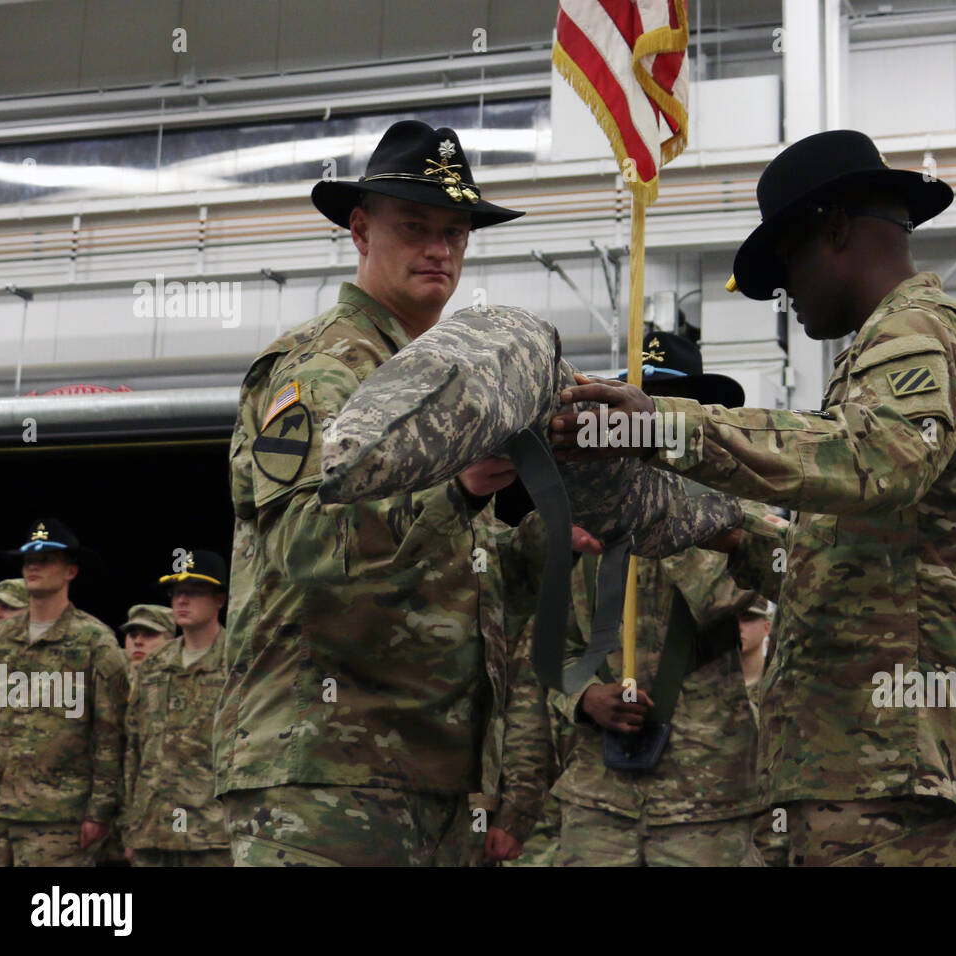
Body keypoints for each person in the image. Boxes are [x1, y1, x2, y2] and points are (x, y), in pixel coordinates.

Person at [551, 129, 956, 866]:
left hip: (901, 772)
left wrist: (663, 425)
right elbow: (860, 564)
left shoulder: (921, 333)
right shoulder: (878, 354)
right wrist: (728, 530)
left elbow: (880, 460)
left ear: (835, 228)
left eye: (787, 265)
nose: (785, 295)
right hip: (863, 766)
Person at [216, 120, 576, 866]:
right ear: (360, 229)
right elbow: (304, 549)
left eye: (455, 231)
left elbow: (457, 577)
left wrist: (564, 532)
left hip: (430, 777)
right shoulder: (323, 372)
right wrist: (458, 490)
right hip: (324, 776)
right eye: (415, 226)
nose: (440, 249)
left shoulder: (437, 383)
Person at [546, 332, 770, 866]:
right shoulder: (585, 528)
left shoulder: (732, 516)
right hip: (597, 797)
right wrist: (581, 698)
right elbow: (554, 650)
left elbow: (723, 600)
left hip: (705, 795)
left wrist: (664, 514)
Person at [0, 519, 129, 866]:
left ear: (71, 571)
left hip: (59, 814)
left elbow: (110, 734)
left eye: (46, 559)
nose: (33, 565)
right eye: (28, 559)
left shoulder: (94, 641)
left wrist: (99, 811)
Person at [122, 550, 232, 866]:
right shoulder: (155, 664)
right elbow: (134, 749)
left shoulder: (238, 664)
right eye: (176, 593)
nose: (182, 601)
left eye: (194, 592)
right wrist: (132, 824)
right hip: (151, 831)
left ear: (219, 600)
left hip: (210, 834)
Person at [120, 604, 175, 682]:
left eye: (149, 635)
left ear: (170, 643)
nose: (137, 642)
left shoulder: (180, 684)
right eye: (133, 635)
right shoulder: (112, 681)